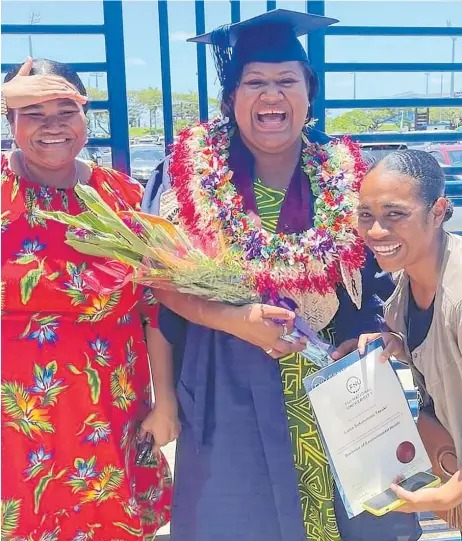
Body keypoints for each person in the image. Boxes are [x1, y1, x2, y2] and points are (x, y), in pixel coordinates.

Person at [141, 10, 421, 541]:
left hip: (339, 379)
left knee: (357, 517)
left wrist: (382, 335)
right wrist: (235, 319)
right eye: (255, 82)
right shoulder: (185, 175)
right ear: (231, 99)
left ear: (309, 95)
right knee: (238, 518)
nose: (272, 95)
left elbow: (392, 275)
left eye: (287, 80)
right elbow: (160, 282)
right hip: (227, 375)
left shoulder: (351, 177)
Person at [1, 58, 173, 540]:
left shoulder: (120, 196)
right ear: (10, 120)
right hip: (14, 428)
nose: (53, 126)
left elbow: (153, 307)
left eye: (66, 110)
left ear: (86, 115)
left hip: (111, 419)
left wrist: (166, 403)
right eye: (34, 113)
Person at [354, 150, 462, 525]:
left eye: (395, 214)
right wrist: (401, 347)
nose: (375, 231)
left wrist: (452, 492)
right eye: (366, 215)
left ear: (437, 212)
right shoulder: (402, 292)